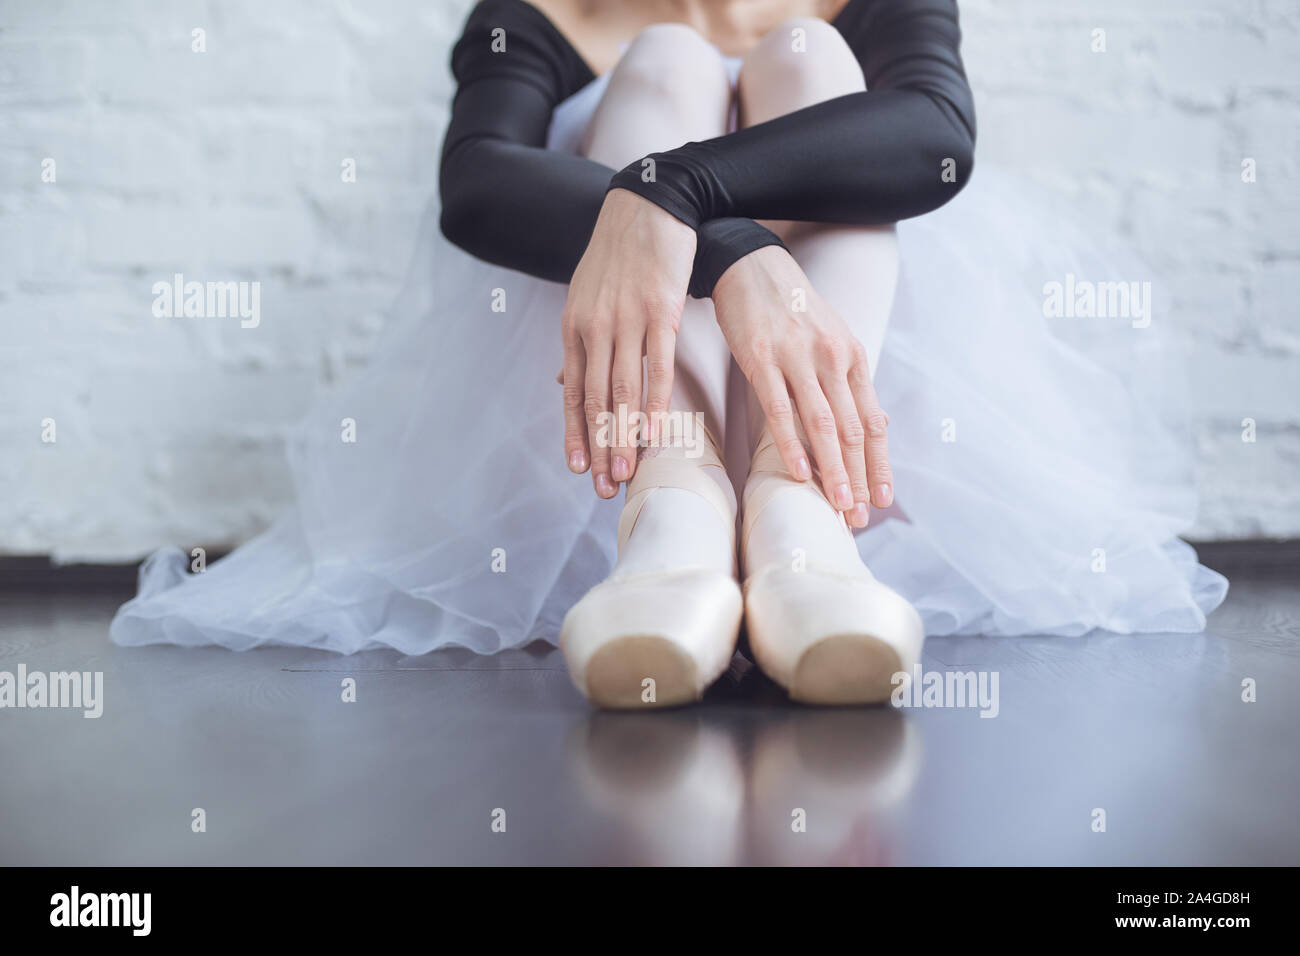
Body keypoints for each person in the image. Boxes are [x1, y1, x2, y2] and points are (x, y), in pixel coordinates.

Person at [111, 0, 1228, 709]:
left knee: (804, 52)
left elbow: (934, 141)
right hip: (612, 412)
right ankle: (678, 501)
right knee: (662, 62)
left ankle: (799, 499)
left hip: (850, 370)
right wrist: (729, 248)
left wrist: (681, 192)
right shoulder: (539, 11)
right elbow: (479, 183)